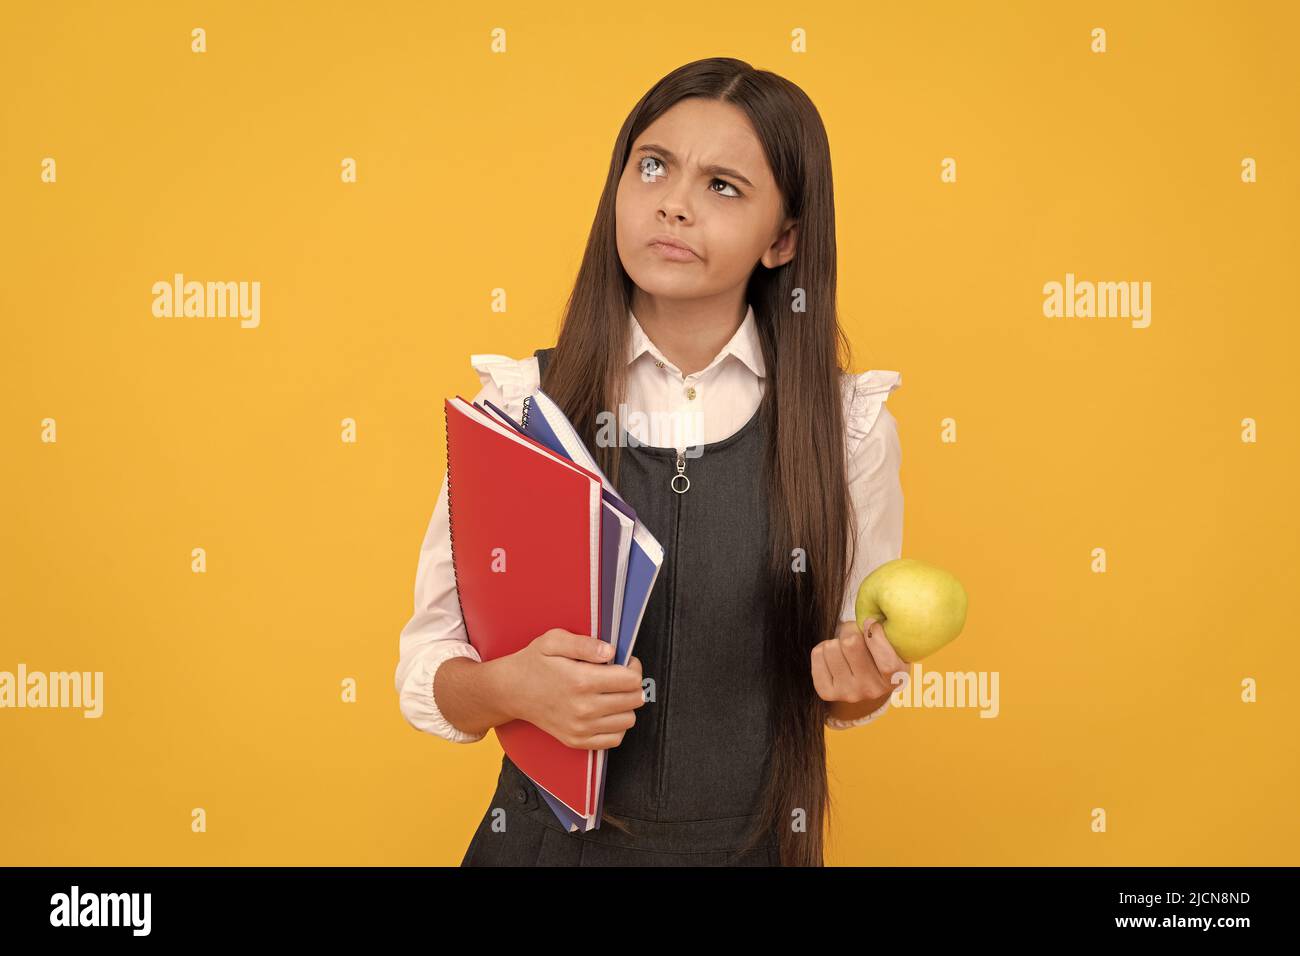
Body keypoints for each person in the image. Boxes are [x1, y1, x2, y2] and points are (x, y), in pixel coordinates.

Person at [394, 56, 910, 867]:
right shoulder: (522, 405)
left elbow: (850, 675)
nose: (673, 202)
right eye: (654, 166)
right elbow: (429, 668)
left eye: (723, 186)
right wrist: (510, 689)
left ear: (783, 241)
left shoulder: (848, 431)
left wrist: (862, 684)